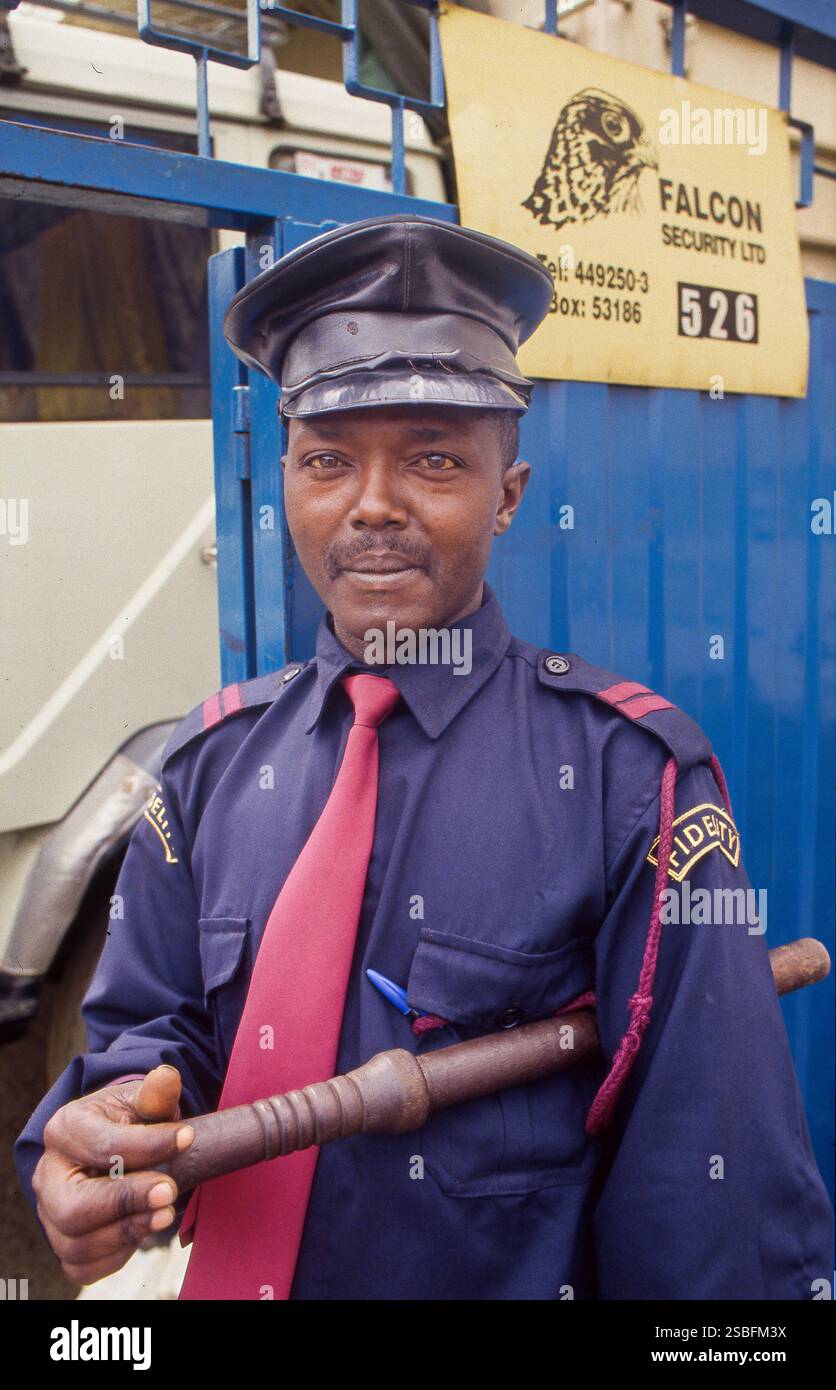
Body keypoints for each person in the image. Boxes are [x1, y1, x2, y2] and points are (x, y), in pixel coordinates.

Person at [16, 214, 833, 1300]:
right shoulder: (205, 763)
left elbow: (711, 1201)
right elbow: (147, 1027)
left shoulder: (630, 779)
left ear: (508, 493)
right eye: (326, 461)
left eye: (434, 458)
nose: (371, 507)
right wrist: (110, 1126)